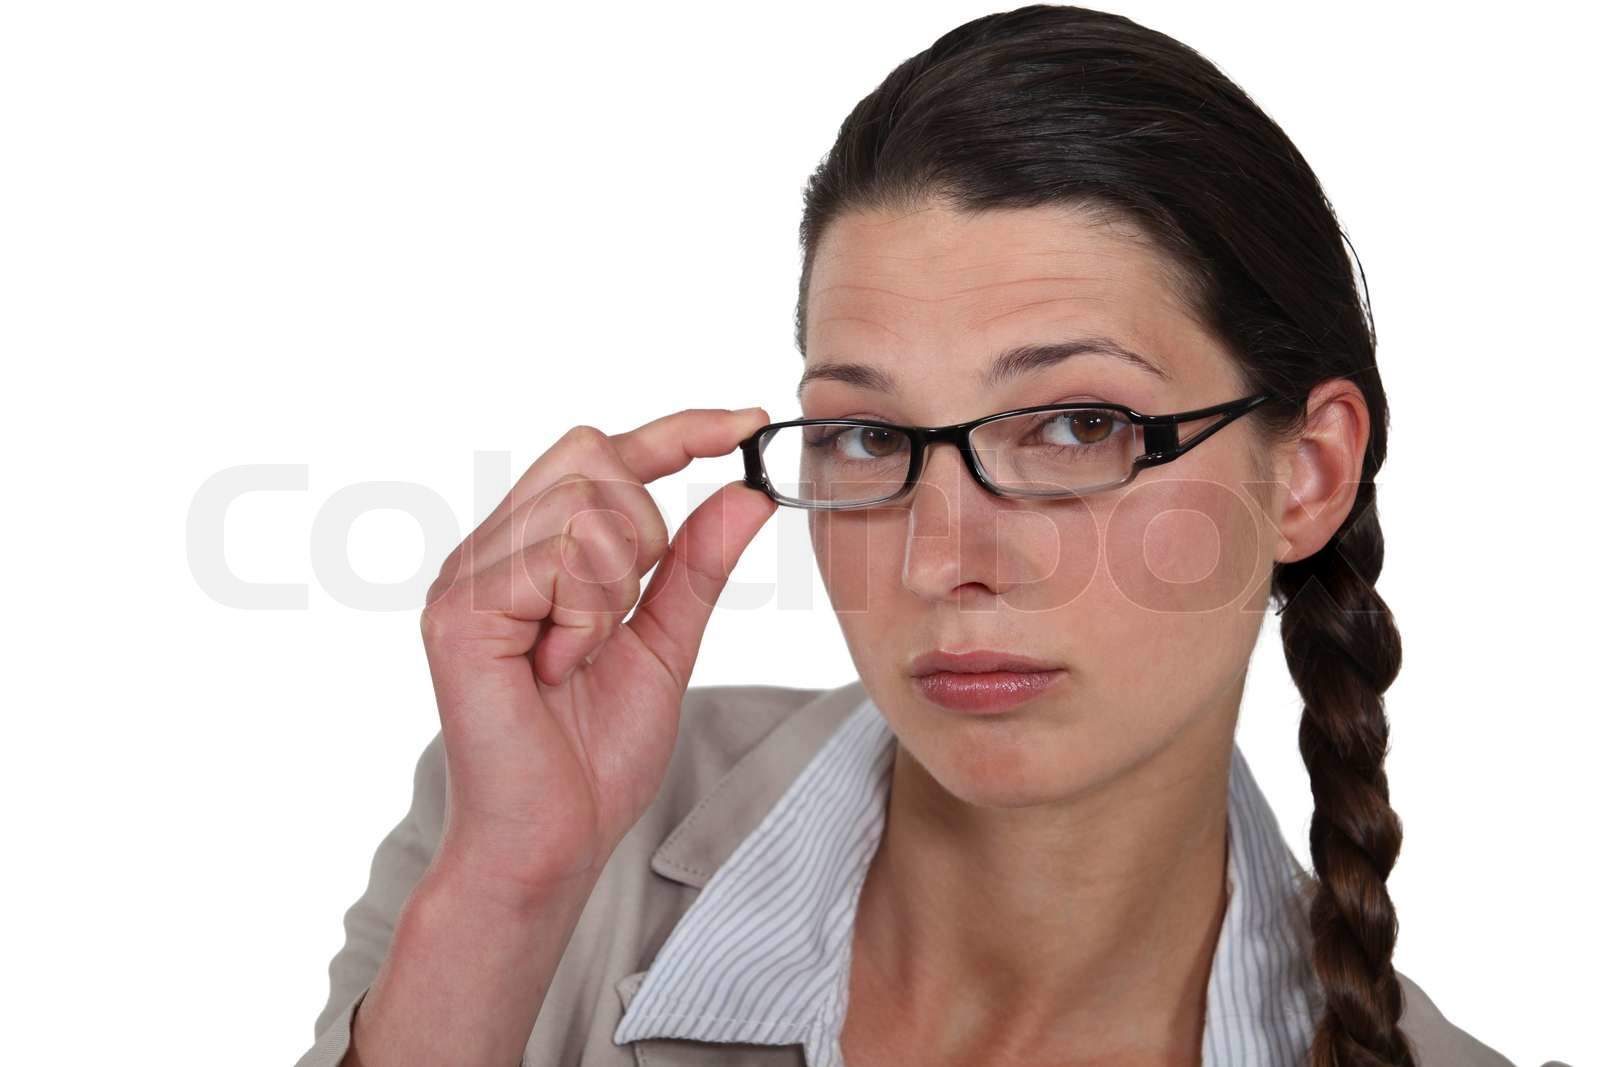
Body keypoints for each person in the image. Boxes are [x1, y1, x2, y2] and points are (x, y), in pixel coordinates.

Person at [294, 6, 1567, 1066]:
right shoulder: (543, 820)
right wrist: (509, 888)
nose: (937, 556)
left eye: (1074, 425)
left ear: (1307, 473)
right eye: (867, 436)